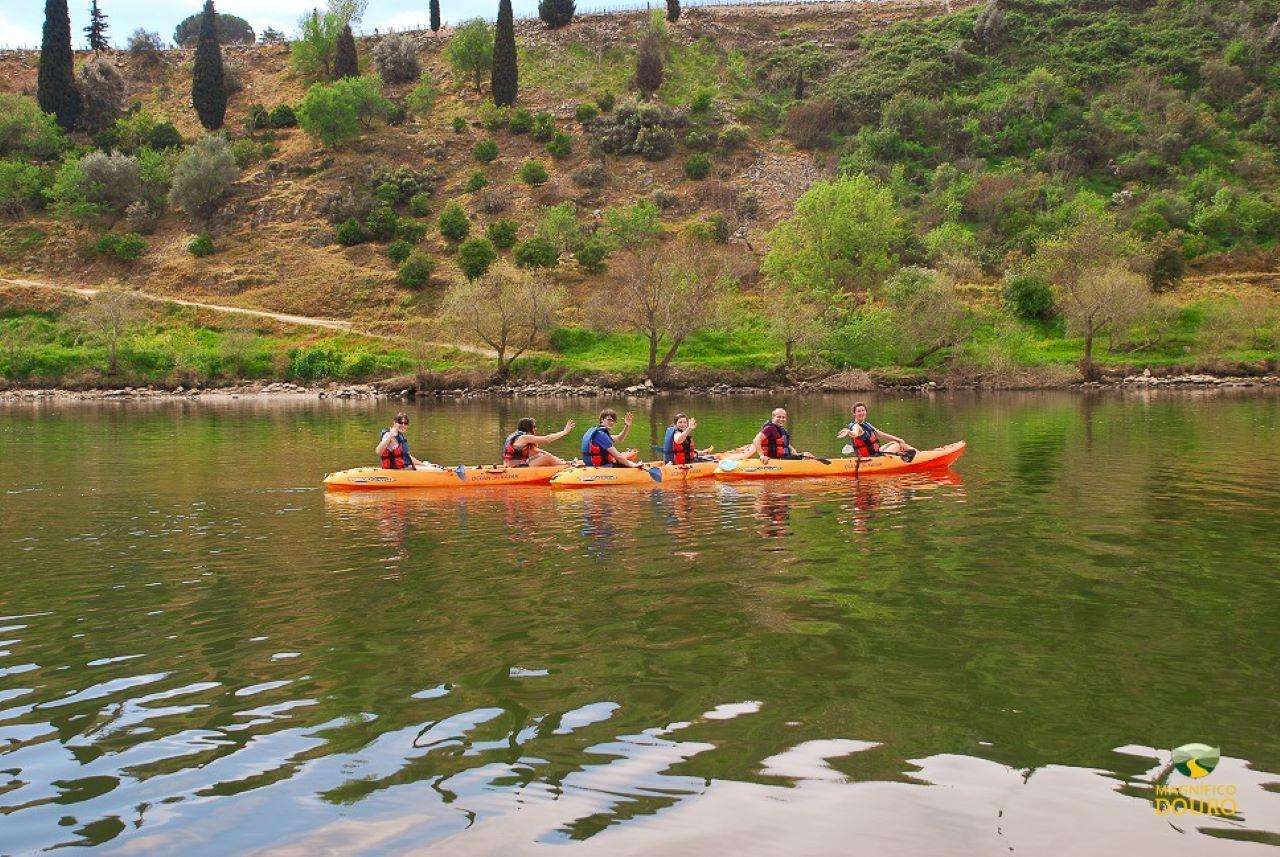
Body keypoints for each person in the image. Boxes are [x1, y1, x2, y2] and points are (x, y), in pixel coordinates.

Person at [727, 407, 815, 463]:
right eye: (778, 417)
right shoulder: (770, 428)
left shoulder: (781, 429)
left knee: (806, 455)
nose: (781, 419)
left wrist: (795, 452)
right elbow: (756, 440)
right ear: (773, 417)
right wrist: (762, 455)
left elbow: (784, 444)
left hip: (783, 458)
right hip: (774, 459)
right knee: (806, 456)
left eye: (783, 417)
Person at [837, 401, 915, 458]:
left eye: (863, 410)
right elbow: (855, 433)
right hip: (872, 458)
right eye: (858, 411)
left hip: (876, 453)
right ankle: (917, 457)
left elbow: (881, 435)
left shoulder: (867, 425)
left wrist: (899, 439)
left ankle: (917, 454)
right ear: (854, 413)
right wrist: (848, 432)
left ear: (866, 412)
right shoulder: (856, 426)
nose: (861, 413)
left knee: (897, 442)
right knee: (897, 445)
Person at [580, 409, 646, 469]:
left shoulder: (598, 432)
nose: (612, 422)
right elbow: (618, 457)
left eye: (613, 421)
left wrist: (627, 426)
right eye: (609, 419)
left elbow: (619, 438)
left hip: (591, 465)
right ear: (602, 419)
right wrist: (634, 465)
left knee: (624, 459)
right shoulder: (601, 435)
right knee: (625, 461)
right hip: (600, 468)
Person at [375, 412, 440, 470]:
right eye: (400, 422)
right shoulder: (388, 435)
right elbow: (378, 451)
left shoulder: (400, 436)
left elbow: (408, 457)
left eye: (406, 423)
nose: (403, 425)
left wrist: (424, 465)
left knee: (429, 465)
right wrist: (390, 435)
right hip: (396, 471)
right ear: (394, 422)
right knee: (431, 469)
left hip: (404, 468)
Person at [502, 417, 576, 467]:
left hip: (514, 465)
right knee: (547, 458)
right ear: (529, 428)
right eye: (534, 426)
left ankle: (564, 463)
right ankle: (568, 466)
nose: (536, 429)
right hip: (515, 468)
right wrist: (564, 432)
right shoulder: (524, 437)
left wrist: (557, 459)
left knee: (542, 455)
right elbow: (547, 439)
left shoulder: (519, 437)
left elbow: (538, 451)